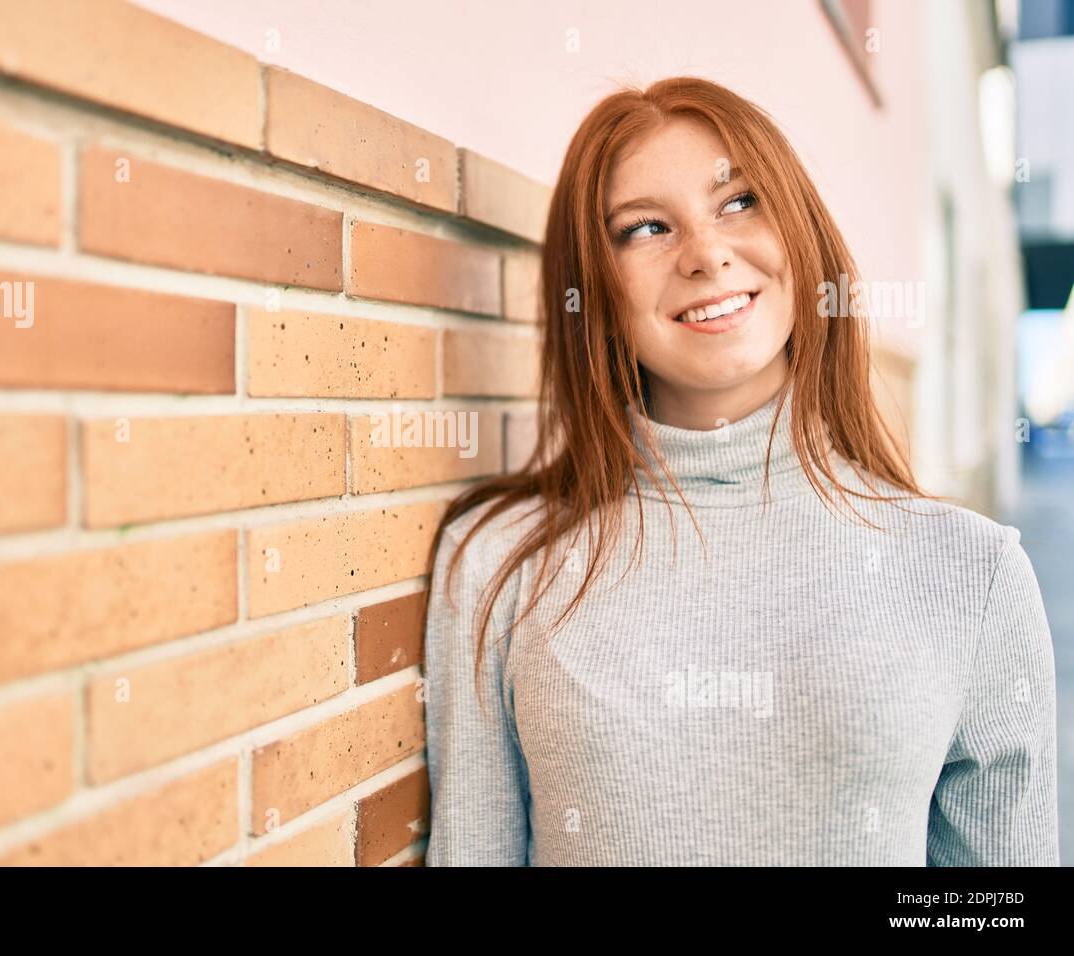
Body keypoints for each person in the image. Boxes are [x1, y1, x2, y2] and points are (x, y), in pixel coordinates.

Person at [422, 76, 1059, 866]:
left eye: (738, 202)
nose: (706, 253)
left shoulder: (971, 572)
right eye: (646, 228)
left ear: (801, 234)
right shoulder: (499, 561)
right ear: (594, 292)